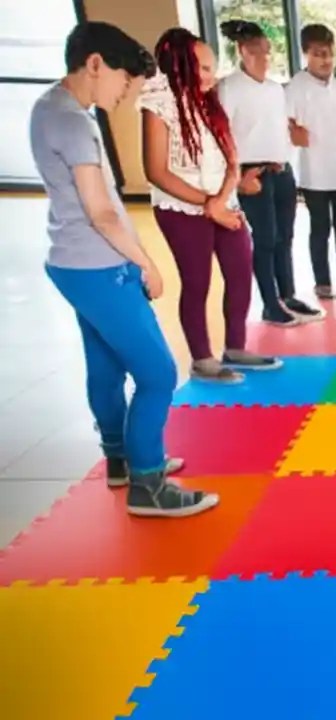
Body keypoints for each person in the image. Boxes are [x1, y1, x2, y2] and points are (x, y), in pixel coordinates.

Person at [33, 21, 216, 517]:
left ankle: (120, 459)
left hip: (70, 263)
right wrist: (146, 263)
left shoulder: (49, 106)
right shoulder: (74, 122)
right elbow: (102, 212)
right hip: (100, 266)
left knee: (106, 365)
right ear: (95, 64)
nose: (125, 94)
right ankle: (148, 484)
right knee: (158, 373)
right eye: (124, 81)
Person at [140, 28, 280, 385]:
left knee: (240, 270)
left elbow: (231, 158)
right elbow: (156, 171)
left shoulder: (209, 101)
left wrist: (223, 198)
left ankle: (236, 347)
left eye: (212, 68)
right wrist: (208, 204)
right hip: (180, 209)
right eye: (203, 68)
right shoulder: (158, 103)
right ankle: (202, 359)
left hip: (223, 202)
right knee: (197, 281)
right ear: (180, 65)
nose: (210, 76)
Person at [218, 20, 321, 323]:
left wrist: (293, 144)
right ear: (242, 51)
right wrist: (238, 178)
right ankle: (270, 304)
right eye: (256, 50)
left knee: (284, 237)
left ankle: (287, 295)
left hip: (281, 170)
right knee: (265, 238)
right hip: (253, 173)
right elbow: (221, 137)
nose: (264, 56)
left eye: (267, 50)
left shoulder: (276, 89)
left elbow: (281, 128)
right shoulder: (229, 88)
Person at [288, 23, 336, 300]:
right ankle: (322, 283)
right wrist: (294, 132)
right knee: (320, 231)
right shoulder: (295, 87)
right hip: (314, 175)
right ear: (306, 53)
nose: (326, 60)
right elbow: (286, 124)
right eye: (318, 54)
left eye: (330, 53)